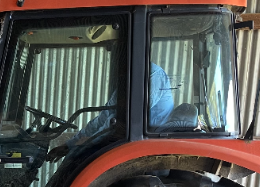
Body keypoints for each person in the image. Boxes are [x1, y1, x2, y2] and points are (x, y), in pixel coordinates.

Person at [46, 63, 174, 161]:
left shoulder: (152, 75)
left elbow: (125, 121)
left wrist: (81, 146)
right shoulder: (128, 79)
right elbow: (103, 118)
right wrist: (70, 145)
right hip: (123, 138)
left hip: (143, 143)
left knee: (78, 160)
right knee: (74, 158)